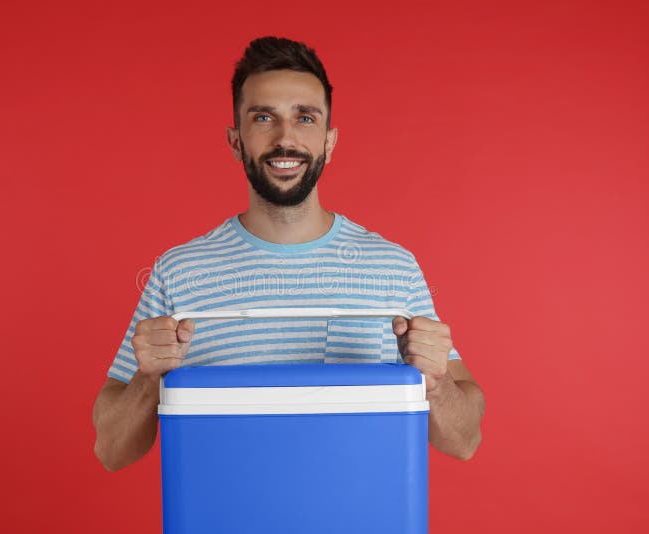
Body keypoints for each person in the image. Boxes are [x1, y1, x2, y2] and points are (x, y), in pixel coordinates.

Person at [93, 36, 485, 471]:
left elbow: (464, 439)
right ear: (235, 140)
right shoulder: (179, 272)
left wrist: (435, 381)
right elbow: (111, 450)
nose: (285, 138)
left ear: (329, 141)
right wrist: (148, 381)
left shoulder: (392, 268)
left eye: (305, 117)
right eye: (263, 117)